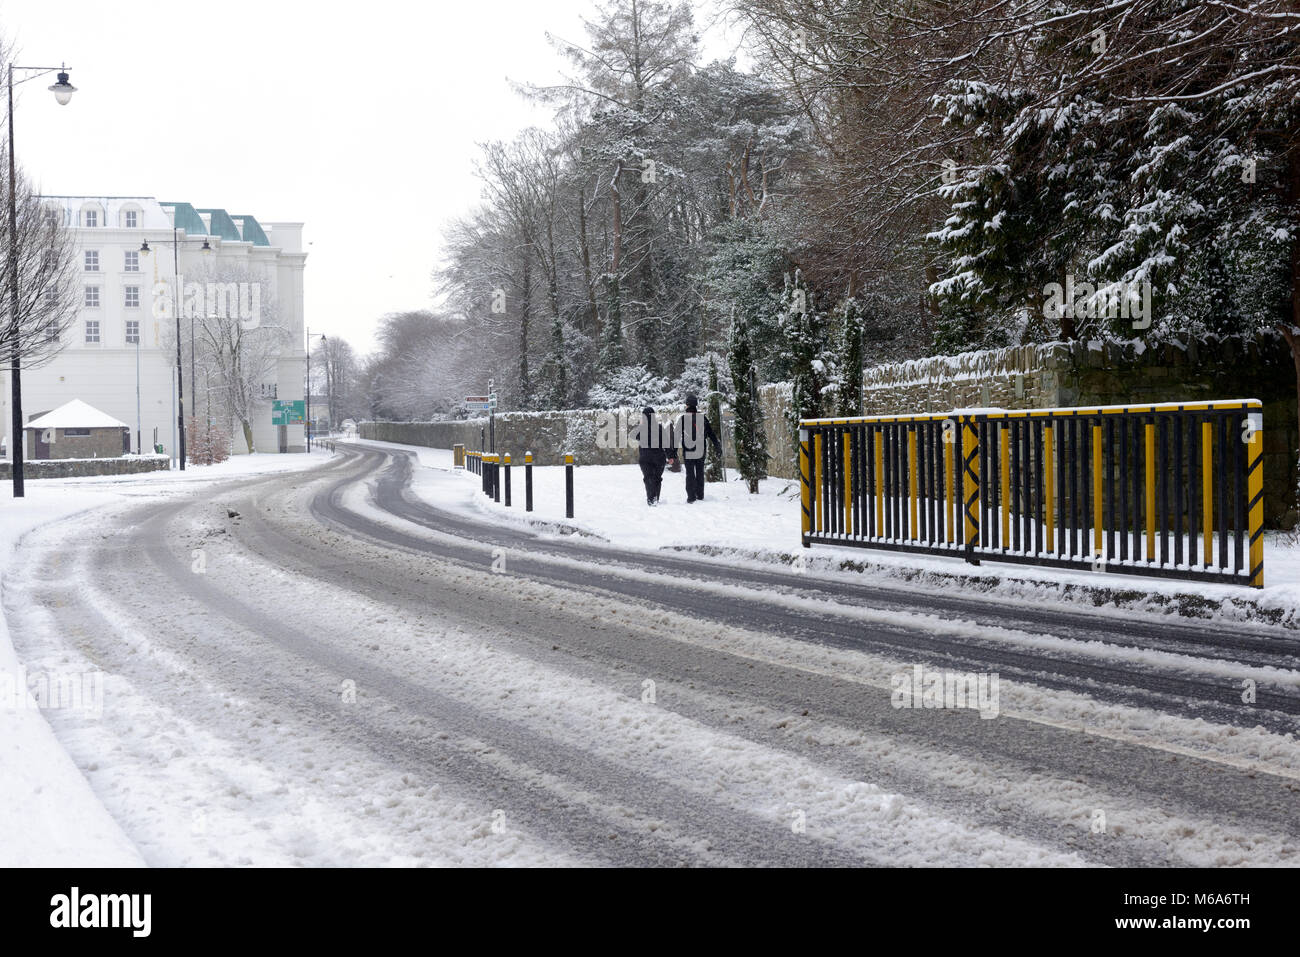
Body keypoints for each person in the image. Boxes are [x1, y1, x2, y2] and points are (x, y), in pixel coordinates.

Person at [675, 393, 722, 503]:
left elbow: (676, 437)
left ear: (687, 405)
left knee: (690, 473)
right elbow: (711, 434)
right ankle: (700, 495)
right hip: (701, 450)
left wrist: (672, 452)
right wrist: (717, 446)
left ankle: (691, 497)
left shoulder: (683, 419)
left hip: (688, 450)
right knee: (700, 472)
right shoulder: (703, 418)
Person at [637, 406, 677, 505]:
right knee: (657, 478)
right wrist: (671, 456)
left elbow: (636, 436)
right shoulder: (659, 427)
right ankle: (655, 498)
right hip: (659, 458)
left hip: (645, 458)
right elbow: (666, 443)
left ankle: (652, 499)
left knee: (648, 478)